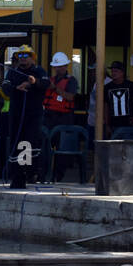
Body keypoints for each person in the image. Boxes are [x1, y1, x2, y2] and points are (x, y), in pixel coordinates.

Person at [0, 45, 49, 190]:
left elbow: (46, 83)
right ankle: (18, 177)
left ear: (32, 58)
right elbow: (6, 87)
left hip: (33, 115)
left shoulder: (39, 71)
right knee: (17, 143)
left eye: (25, 56)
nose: (22, 59)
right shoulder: (13, 72)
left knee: (29, 144)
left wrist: (34, 83)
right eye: (20, 56)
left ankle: (31, 173)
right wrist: (16, 88)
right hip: (16, 115)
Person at [43, 52, 79, 181]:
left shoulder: (71, 81)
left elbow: (70, 97)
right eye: (57, 66)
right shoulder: (50, 80)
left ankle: (59, 175)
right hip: (48, 118)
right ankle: (44, 174)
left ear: (66, 66)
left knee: (61, 149)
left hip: (63, 118)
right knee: (45, 147)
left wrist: (55, 89)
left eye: (62, 66)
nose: (60, 68)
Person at [103, 61, 133, 138]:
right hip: (114, 125)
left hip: (129, 124)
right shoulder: (107, 87)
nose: (113, 73)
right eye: (112, 71)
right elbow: (106, 106)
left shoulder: (131, 85)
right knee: (115, 148)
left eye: (116, 71)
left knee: (130, 148)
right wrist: (107, 125)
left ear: (122, 73)